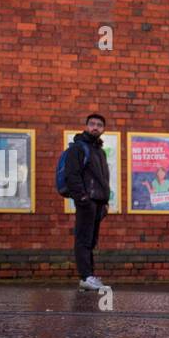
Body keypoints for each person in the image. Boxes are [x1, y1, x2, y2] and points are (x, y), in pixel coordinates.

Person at [63, 113, 112, 291]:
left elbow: (103, 179)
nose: (95, 127)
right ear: (86, 126)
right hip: (87, 201)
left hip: (98, 202)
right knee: (83, 239)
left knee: (91, 240)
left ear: (103, 129)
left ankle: (89, 275)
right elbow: (72, 176)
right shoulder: (78, 148)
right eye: (92, 124)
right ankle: (85, 276)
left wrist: (105, 201)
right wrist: (82, 198)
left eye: (99, 125)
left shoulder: (99, 151)